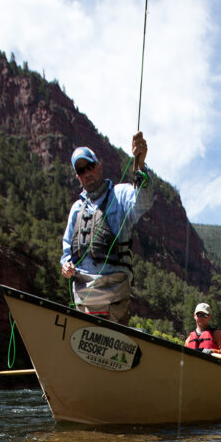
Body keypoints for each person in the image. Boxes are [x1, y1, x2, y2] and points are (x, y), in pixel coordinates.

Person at [60, 132, 152, 323]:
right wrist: (66, 265)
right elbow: (67, 252)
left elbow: (143, 202)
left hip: (114, 295)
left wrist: (141, 165)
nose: (87, 173)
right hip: (82, 297)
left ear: (99, 166)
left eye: (90, 166)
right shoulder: (76, 209)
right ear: (78, 177)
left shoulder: (121, 194)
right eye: (81, 171)